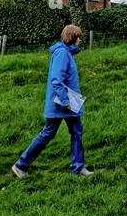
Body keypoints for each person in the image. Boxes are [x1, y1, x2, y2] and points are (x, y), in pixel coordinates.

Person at [10, 25, 92, 177]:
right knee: (48, 133)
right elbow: (56, 80)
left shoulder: (67, 53)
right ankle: (21, 165)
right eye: (78, 37)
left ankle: (78, 167)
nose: (80, 40)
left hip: (68, 102)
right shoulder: (62, 53)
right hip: (62, 103)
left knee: (76, 131)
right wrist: (65, 100)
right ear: (72, 38)